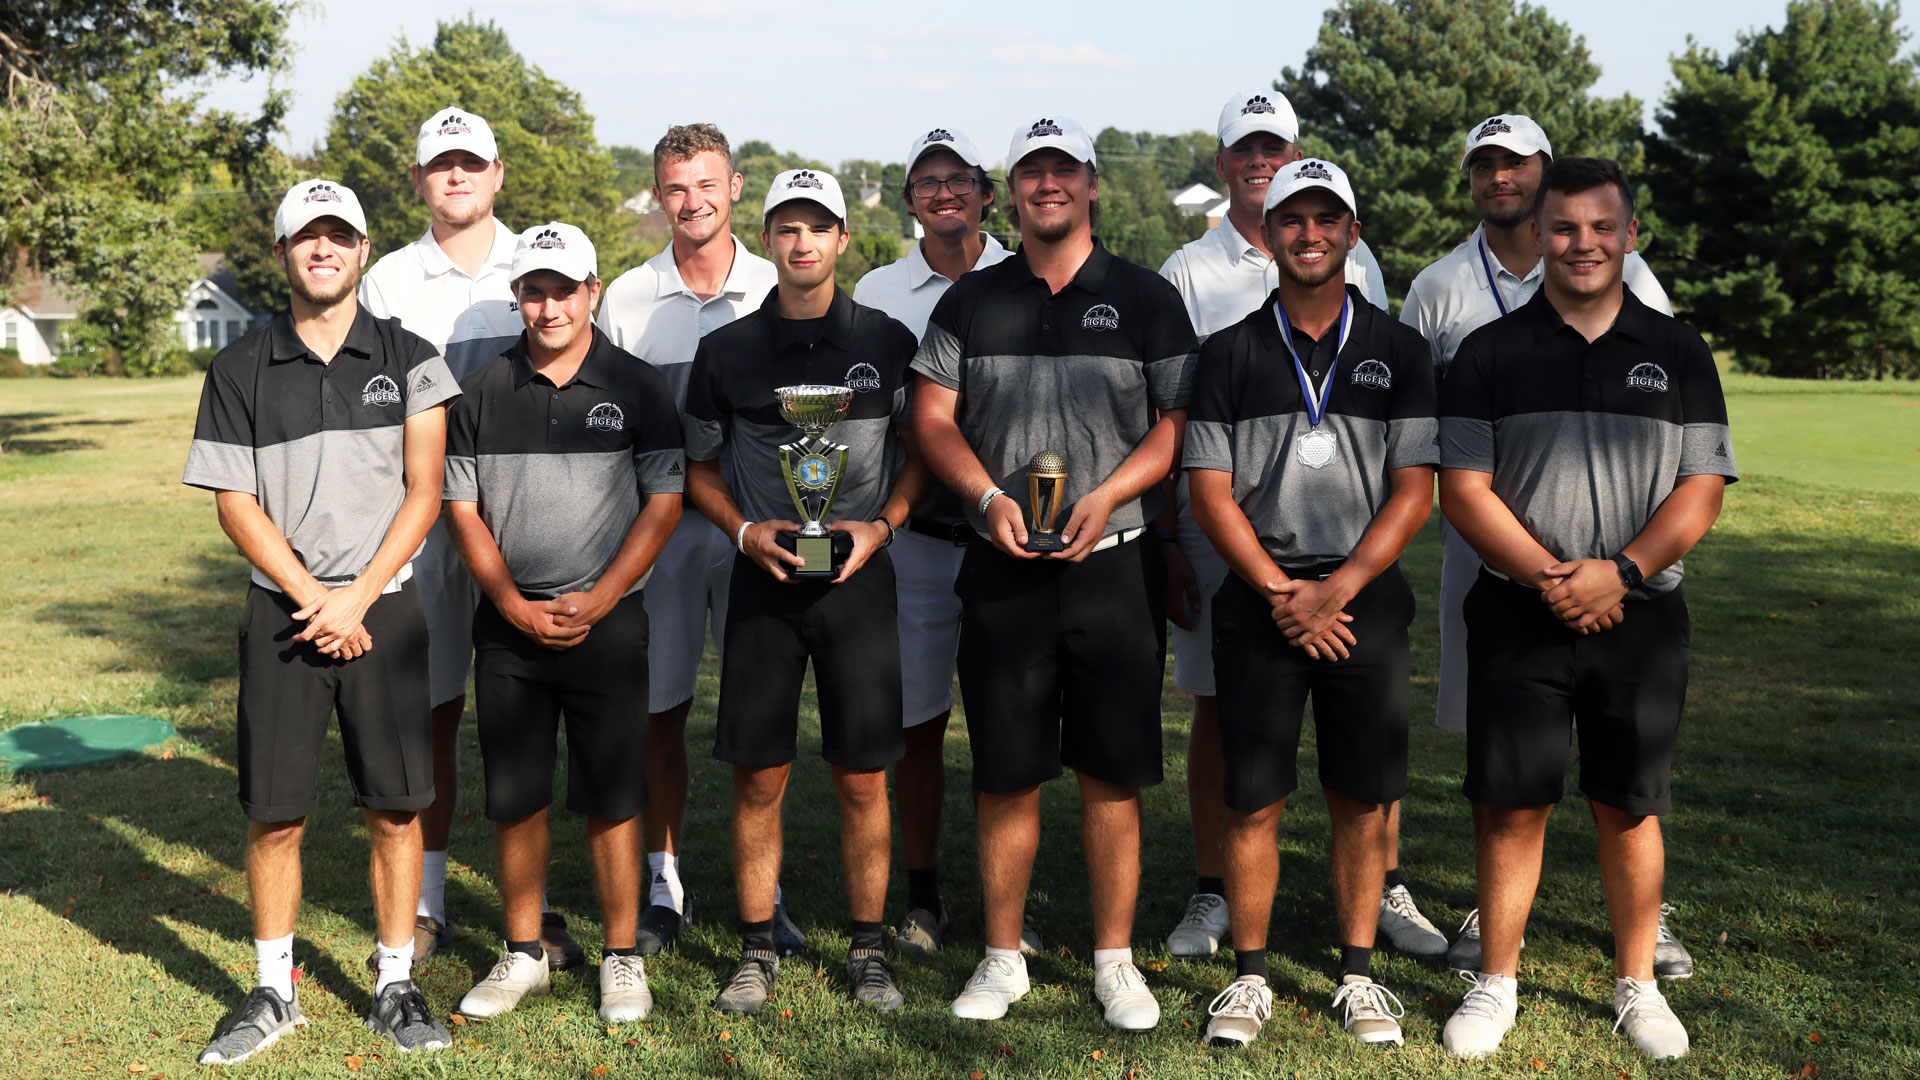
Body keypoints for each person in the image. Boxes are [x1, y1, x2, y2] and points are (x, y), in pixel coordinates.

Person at [1437, 157, 1735, 1061]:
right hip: (1518, 612)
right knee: (1511, 806)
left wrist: (1622, 572)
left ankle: (1638, 984)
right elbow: (1464, 489)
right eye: (1564, 227)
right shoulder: (1489, 352)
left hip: (1640, 618)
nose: (1583, 244)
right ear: (1537, 236)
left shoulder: (1678, 349)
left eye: (1603, 227)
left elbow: (1701, 487)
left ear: (1630, 235)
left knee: (1630, 806)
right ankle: (1497, 981)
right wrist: (1556, 580)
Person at [913, 115, 1197, 1030]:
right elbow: (933, 416)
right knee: (1006, 768)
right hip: (1002, 565)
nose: (1048, 185)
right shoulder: (972, 300)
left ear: (1092, 183)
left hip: (1114, 566)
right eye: (1032, 172)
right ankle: (1001, 957)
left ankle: (1115, 961)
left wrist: (1109, 496)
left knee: (1112, 771)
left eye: (1064, 170)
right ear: (1012, 191)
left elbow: (1176, 422)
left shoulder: (1147, 297)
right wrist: (987, 496)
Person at [1402, 114, 1693, 978]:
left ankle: (1645, 926)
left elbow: (1674, 436)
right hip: (1493, 554)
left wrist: (1617, 572)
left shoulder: (1635, 283)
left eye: (1517, 162)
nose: (1501, 176)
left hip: (1624, 569)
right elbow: (1431, 435)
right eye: (1484, 164)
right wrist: (1552, 577)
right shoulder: (1439, 286)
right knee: (1502, 765)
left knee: (1628, 782)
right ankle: (1494, 921)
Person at [1157, 87, 1434, 963]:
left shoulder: (1396, 342)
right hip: (1254, 577)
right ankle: (1237, 941)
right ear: (1266, 233)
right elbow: (1206, 482)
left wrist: (1336, 590)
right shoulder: (1220, 334)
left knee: (1364, 784)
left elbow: (1412, 487)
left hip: (1360, 586)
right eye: (1292, 220)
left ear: (1351, 232)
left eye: (1326, 219)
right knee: (1247, 777)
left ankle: (1361, 950)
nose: (1310, 234)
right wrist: (1284, 593)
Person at [186, 179, 458, 1063]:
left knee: (396, 808)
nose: (324, 249)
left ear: (363, 249)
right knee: (276, 814)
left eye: (340, 235)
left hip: (385, 610)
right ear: (282, 254)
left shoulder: (414, 357)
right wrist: (316, 598)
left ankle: (395, 984)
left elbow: (426, 492)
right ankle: (274, 989)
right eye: (307, 237)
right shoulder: (238, 367)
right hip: (285, 614)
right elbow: (234, 503)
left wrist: (358, 595)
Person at [684, 168, 927, 1016]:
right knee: (759, 777)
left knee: (862, 777)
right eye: (787, 228)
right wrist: (744, 532)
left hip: (859, 582)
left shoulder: (889, 342)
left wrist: (882, 526)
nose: (802, 243)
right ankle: (756, 948)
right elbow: (699, 467)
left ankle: (868, 951)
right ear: (768, 238)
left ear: (842, 239)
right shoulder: (728, 351)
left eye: (818, 227)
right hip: (763, 584)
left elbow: (923, 450)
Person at [442, 222, 684, 1024]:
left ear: (593, 291)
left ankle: (621, 957)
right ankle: (524, 951)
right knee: (515, 792)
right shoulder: (479, 392)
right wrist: (509, 601)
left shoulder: (638, 386)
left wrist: (608, 593)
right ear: (517, 296)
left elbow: (664, 501)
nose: (549, 308)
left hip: (606, 620)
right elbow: (462, 510)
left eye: (564, 291)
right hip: (508, 623)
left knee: (613, 790)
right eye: (534, 292)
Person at [357, 105, 582, 968]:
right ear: (419, 179)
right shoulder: (389, 281)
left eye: (472, 163)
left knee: (531, 718)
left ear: (497, 174)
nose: (457, 176)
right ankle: (429, 904)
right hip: (423, 521)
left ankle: (537, 905)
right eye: (441, 164)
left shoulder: (539, 262)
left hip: (527, 515)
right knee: (434, 714)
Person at [594, 124, 801, 956]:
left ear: (736, 187)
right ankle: (664, 885)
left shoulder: (779, 282)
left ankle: (767, 891)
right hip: (666, 533)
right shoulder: (628, 297)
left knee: (762, 713)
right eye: (677, 187)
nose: (693, 201)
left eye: (707, 183)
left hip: (762, 531)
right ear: (658, 195)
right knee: (662, 709)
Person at [850, 126, 1032, 956]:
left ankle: (1008, 904)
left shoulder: (1027, 274)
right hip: (918, 538)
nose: (945, 193)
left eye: (960, 179)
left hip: (1011, 536)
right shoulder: (881, 290)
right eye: (927, 182)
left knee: (1008, 725)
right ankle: (924, 897)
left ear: (988, 194)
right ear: (910, 200)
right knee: (919, 723)